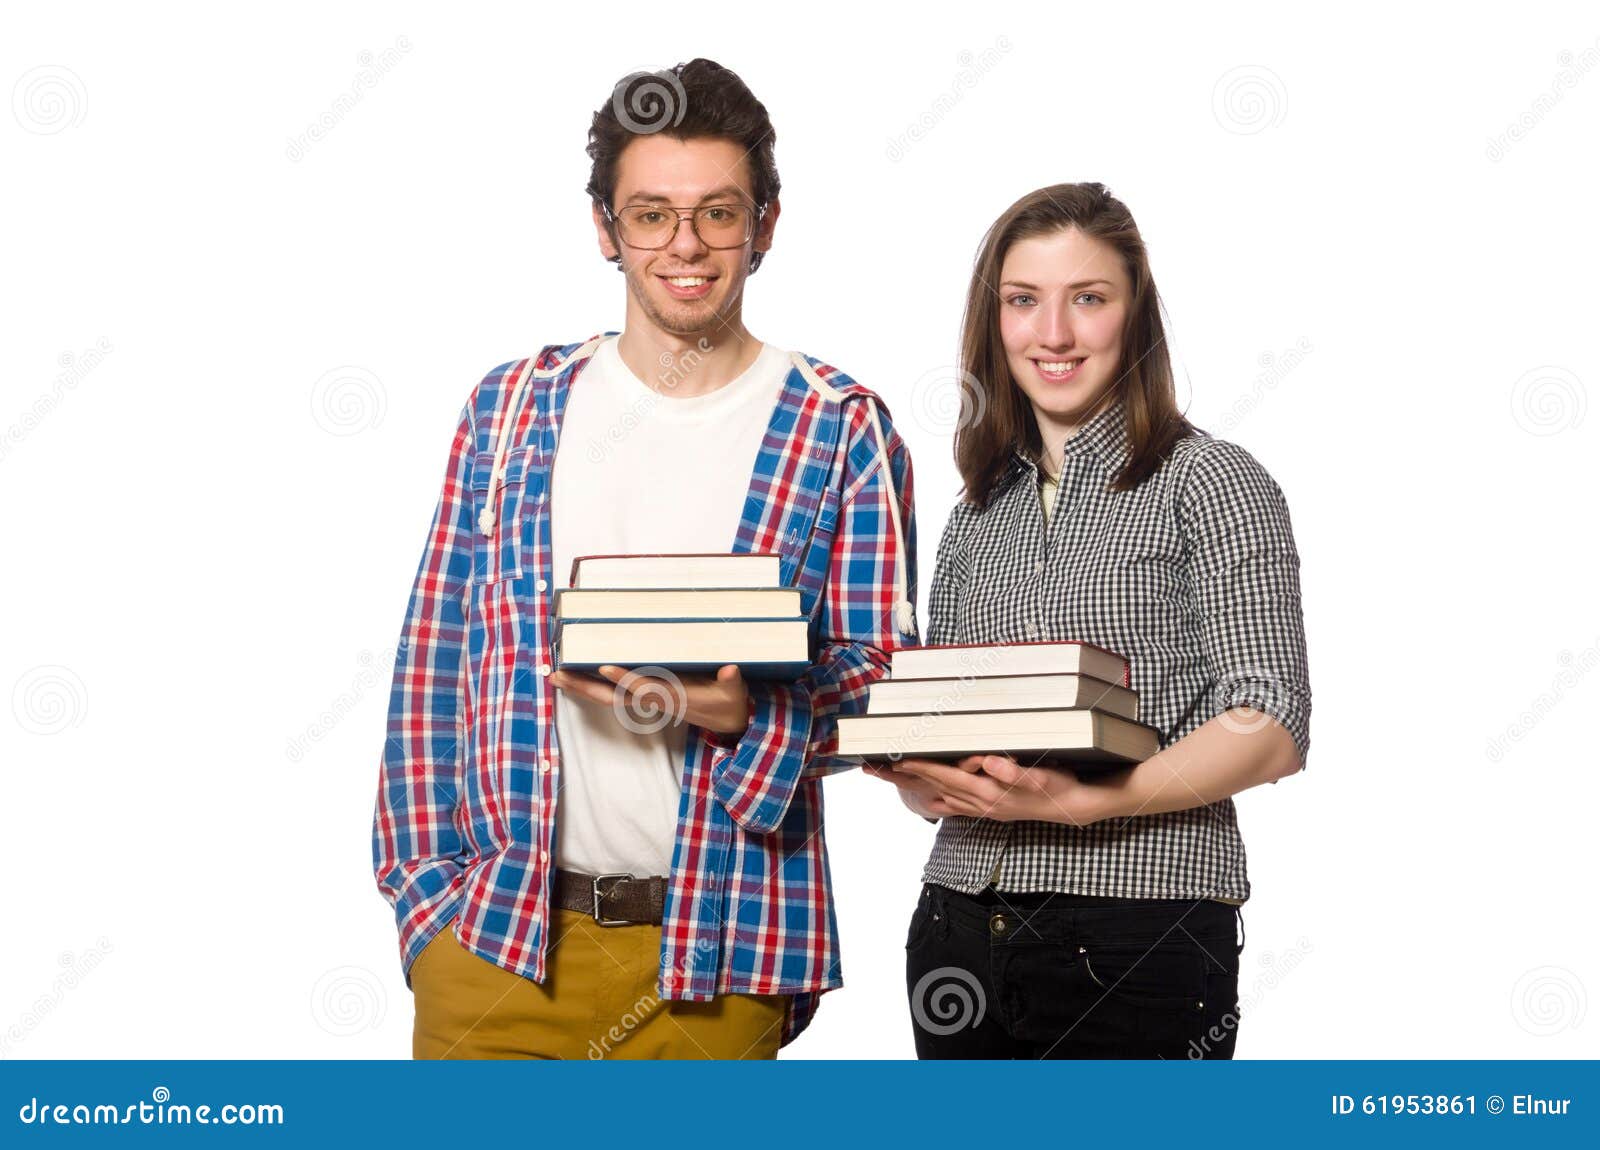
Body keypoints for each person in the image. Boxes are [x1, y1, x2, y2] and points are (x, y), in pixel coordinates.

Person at [372, 58, 918, 1059]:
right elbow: (434, 664)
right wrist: (425, 909)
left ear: (765, 225)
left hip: (719, 957)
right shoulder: (509, 410)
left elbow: (879, 673)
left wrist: (752, 717)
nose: (686, 245)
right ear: (605, 229)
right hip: (495, 948)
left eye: (718, 213)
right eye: (652, 214)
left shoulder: (842, 426)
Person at [868, 182, 1310, 1059]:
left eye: (1089, 300)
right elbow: (945, 719)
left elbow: (1272, 721)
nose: (1055, 334)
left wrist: (1087, 806)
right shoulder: (977, 511)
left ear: (1133, 315)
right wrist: (922, 780)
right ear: (994, 321)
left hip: (1134, 932)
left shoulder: (1210, 480)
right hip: (957, 927)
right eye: (1024, 301)